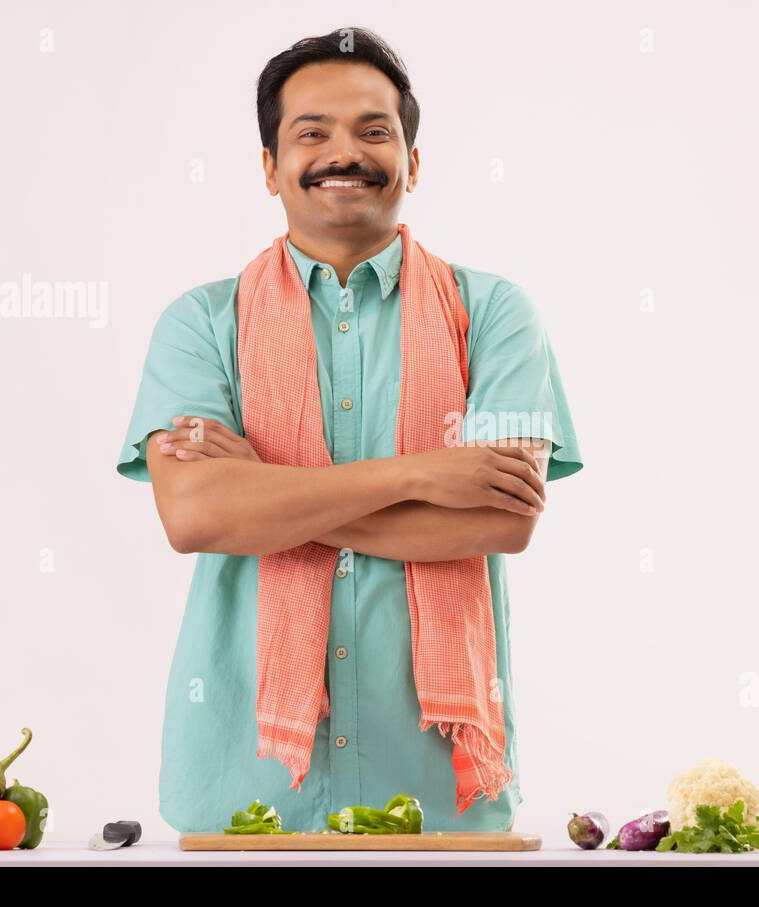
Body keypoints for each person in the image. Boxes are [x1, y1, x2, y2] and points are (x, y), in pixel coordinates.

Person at [115, 26, 583, 834]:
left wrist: (265, 488)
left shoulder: (498, 314)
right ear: (269, 167)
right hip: (244, 781)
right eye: (312, 132)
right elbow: (195, 516)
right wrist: (417, 475)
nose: (347, 152)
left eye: (374, 131)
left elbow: (502, 517)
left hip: (440, 788)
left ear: (413, 159)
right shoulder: (199, 323)